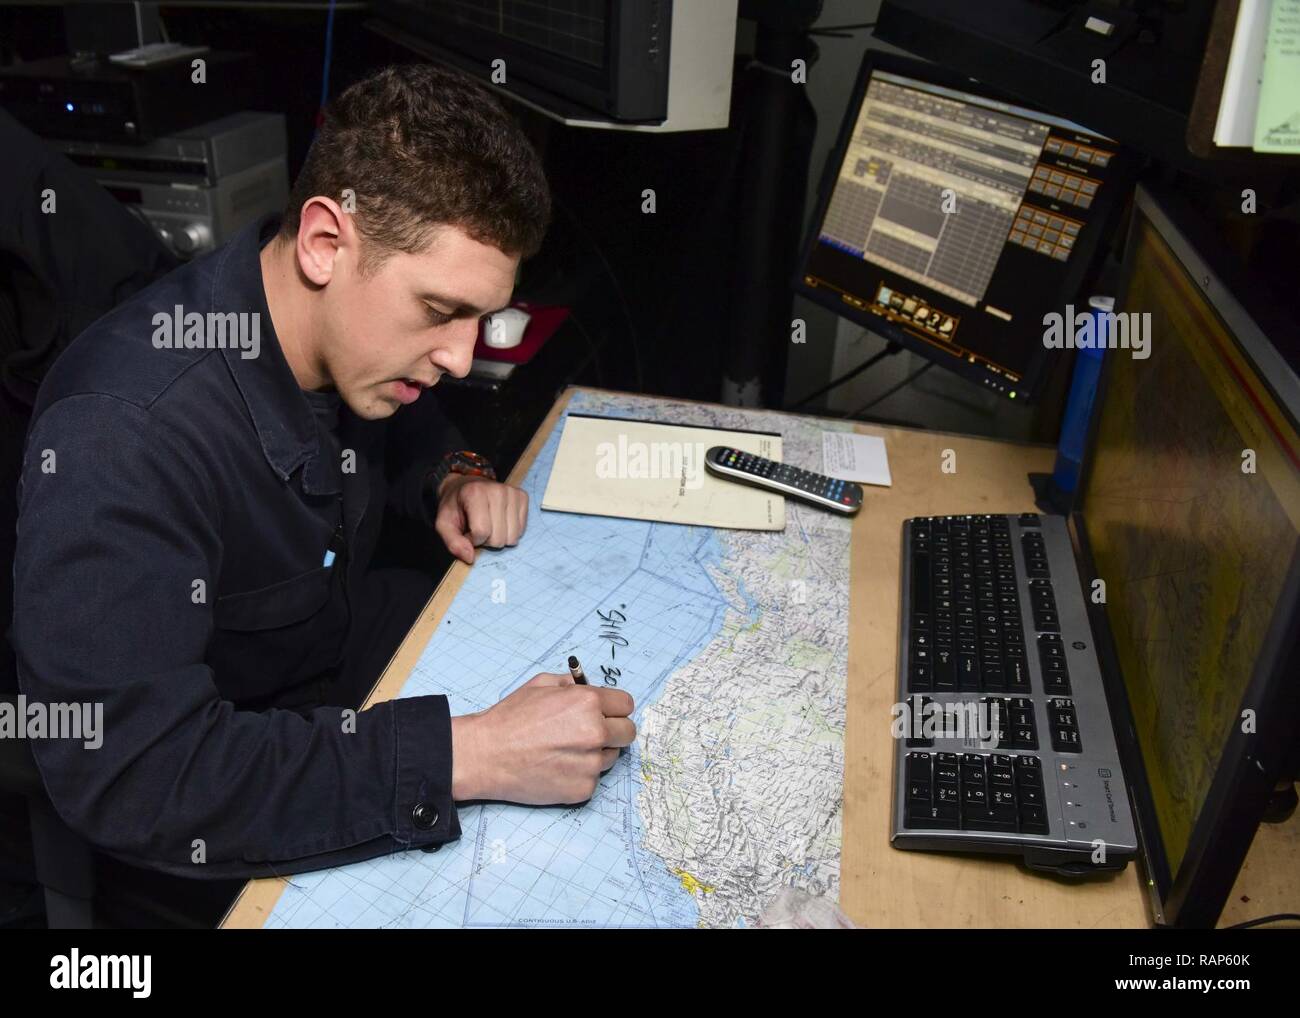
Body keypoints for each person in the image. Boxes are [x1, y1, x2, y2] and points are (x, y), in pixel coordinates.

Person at [12, 63, 636, 885]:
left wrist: (452, 472)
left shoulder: (339, 336)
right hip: (232, 780)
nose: (460, 356)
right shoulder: (122, 436)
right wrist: (471, 755)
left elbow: (406, 410)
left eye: (479, 319)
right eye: (441, 311)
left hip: (338, 656)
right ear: (323, 243)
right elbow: (136, 778)